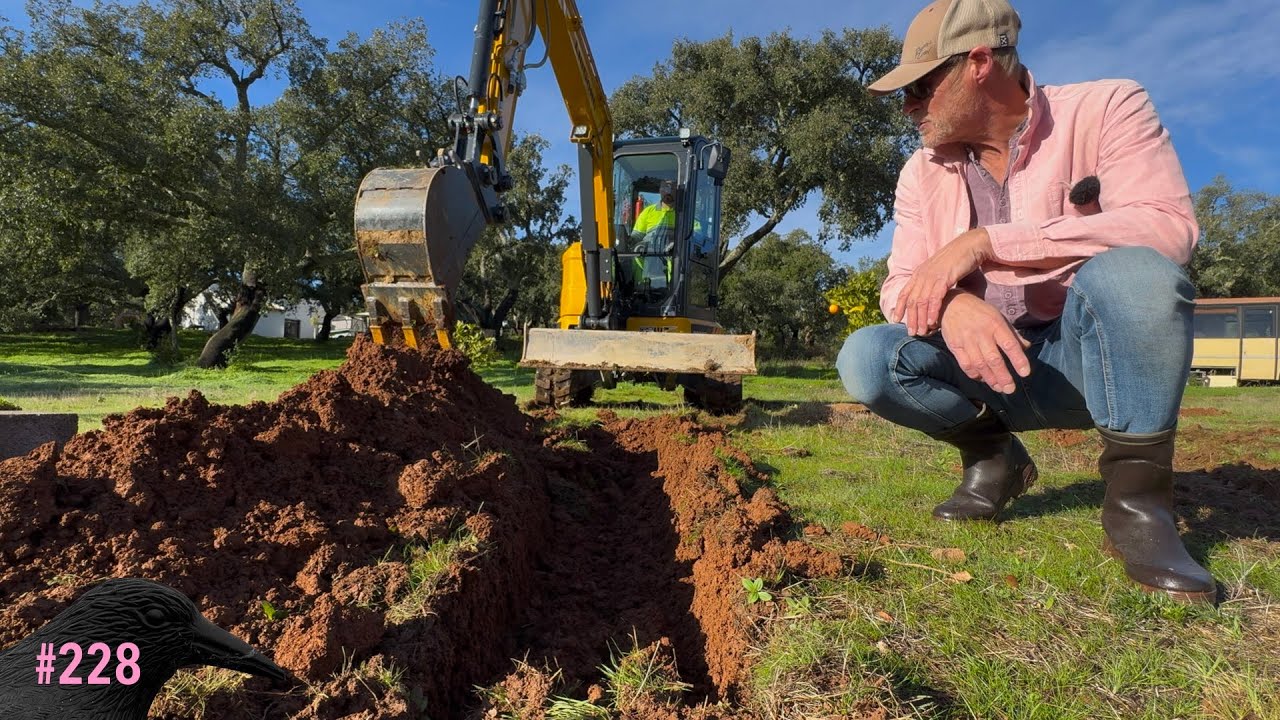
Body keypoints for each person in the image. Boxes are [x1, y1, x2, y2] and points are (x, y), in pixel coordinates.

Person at [837, 0, 1214, 603]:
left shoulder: (1107, 108)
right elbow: (899, 284)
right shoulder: (920, 172)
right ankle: (995, 458)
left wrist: (985, 243)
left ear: (978, 63)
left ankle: (1139, 508)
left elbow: (1167, 229)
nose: (908, 106)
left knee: (1137, 274)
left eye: (920, 88)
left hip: (1086, 362)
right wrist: (952, 303)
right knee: (867, 358)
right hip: (985, 367)